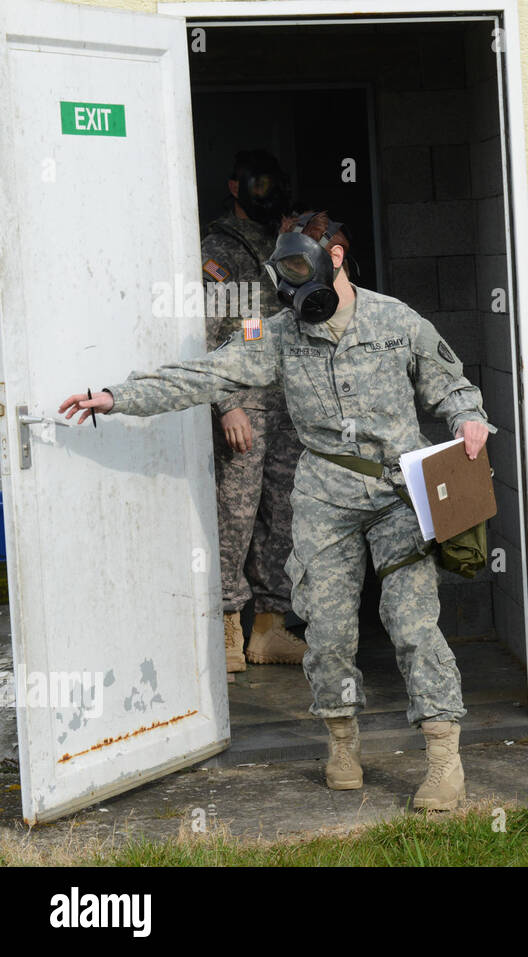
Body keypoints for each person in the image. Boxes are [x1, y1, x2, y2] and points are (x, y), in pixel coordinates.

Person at [61, 211, 493, 812]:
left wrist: (466, 417)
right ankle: (343, 744)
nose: (292, 286)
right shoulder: (279, 335)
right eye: (282, 275)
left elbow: (450, 384)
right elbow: (204, 374)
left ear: (333, 259)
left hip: (399, 493)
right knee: (329, 632)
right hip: (325, 497)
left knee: (414, 625)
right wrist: (117, 396)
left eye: (300, 269)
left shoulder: (396, 319)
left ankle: (445, 761)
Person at [201, 149, 306, 675]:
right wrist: (226, 405)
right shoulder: (220, 250)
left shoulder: (284, 245)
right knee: (234, 518)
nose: (267, 191)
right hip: (244, 405)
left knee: (281, 515)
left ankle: (268, 629)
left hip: (287, 403)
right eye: (257, 183)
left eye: (274, 182)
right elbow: (209, 336)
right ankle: (225, 629)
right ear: (235, 188)